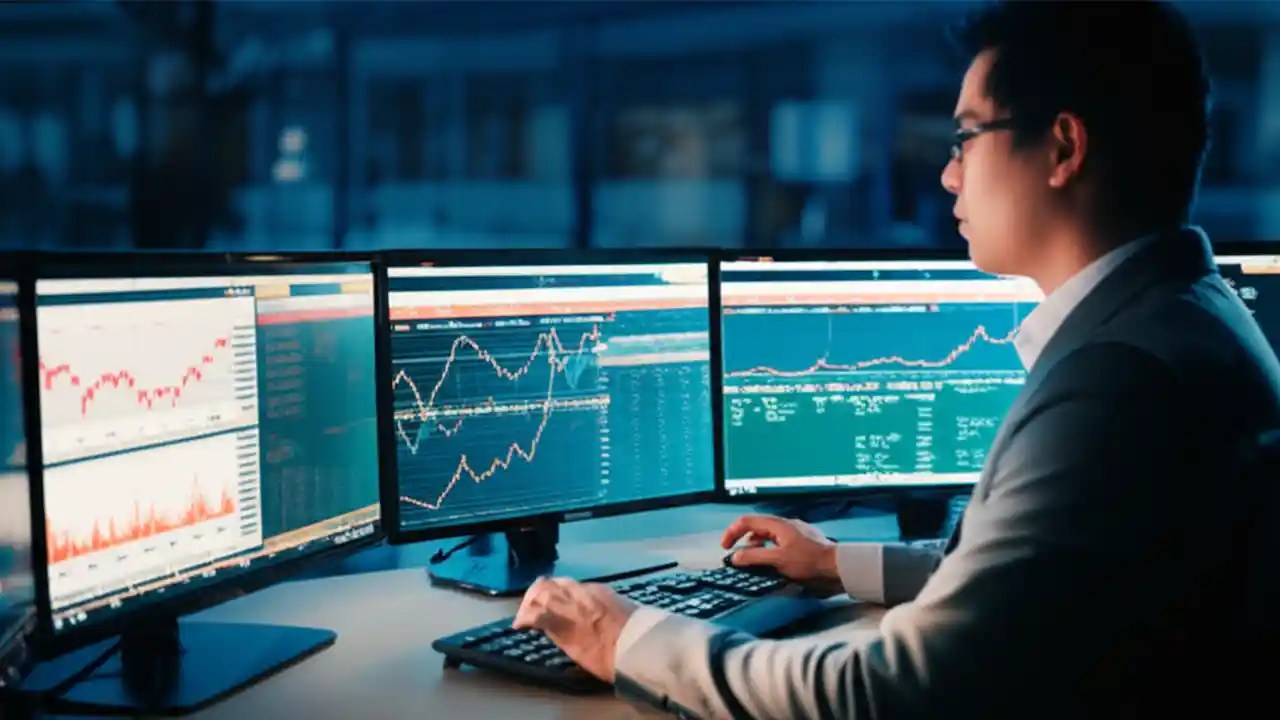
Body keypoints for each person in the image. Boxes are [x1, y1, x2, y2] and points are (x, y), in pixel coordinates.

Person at [513, 2, 1280, 717]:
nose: (949, 175)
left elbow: (894, 692)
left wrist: (632, 641)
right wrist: (838, 563)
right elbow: (1052, 585)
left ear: (1062, 148)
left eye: (966, 138)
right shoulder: (1191, 318)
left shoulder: (1118, 384)